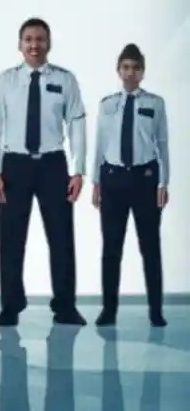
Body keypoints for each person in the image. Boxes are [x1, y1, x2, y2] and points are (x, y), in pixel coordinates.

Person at [0, 17, 87, 327]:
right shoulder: (6, 80)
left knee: (61, 235)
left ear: (49, 43)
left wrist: (78, 170)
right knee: (11, 237)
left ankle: (65, 305)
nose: (34, 44)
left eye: (40, 39)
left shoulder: (65, 80)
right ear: (20, 45)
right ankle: (11, 305)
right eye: (28, 39)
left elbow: (77, 124)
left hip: (52, 164)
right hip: (14, 165)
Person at [92, 43, 169, 328]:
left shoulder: (155, 103)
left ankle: (156, 310)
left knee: (150, 247)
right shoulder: (107, 104)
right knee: (111, 248)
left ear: (142, 72)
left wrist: (163, 181)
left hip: (145, 180)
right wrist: (96, 182)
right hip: (112, 179)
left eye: (135, 68)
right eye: (125, 67)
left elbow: (162, 144)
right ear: (118, 70)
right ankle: (108, 309)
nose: (130, 73)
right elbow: (99, 145)